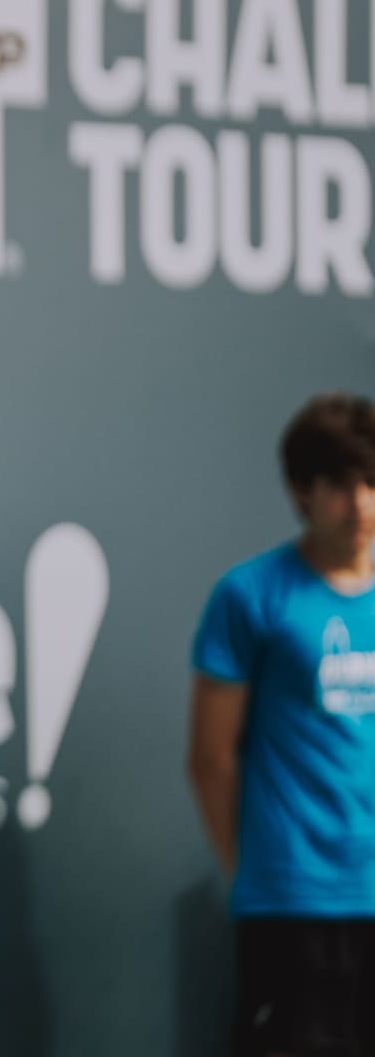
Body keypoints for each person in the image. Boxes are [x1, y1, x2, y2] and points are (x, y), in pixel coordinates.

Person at [189, 393, 375, 1057]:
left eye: (372, 482)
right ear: (302, 491)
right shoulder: (251, 596)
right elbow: (211, 760)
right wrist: (255, 869)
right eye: (339, 485)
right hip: (290, 901)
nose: (359, 504)